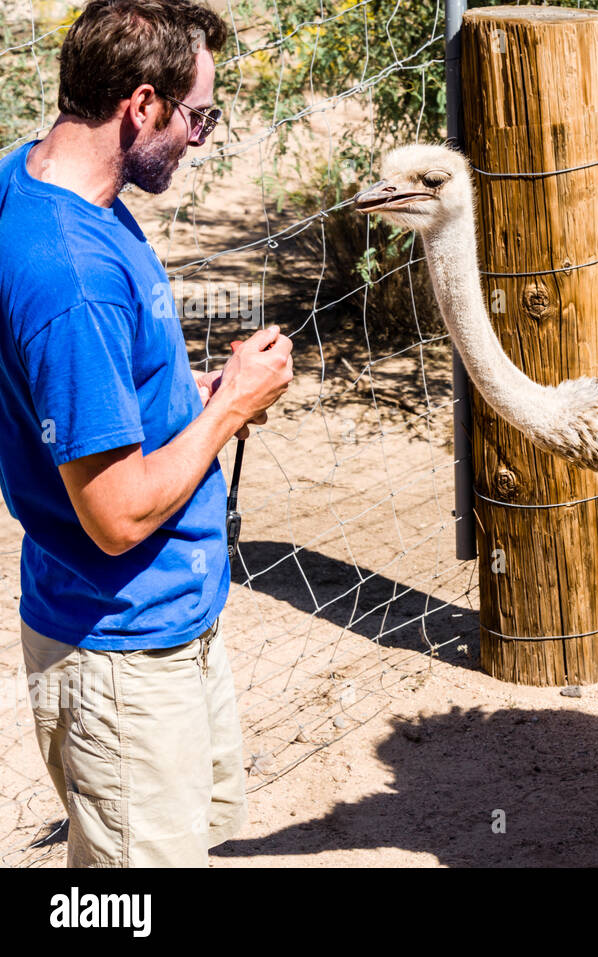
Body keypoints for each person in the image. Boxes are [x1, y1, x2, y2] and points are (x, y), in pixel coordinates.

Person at [0, 0, 293, 866]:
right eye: (196, 115)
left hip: (156, 630)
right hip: (125, 655)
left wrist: (192, 397)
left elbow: (85, 399)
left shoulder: (34, 178)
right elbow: (118, 512)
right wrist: (230, 407)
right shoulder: (73, 275)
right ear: (141, 104)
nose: (200, 138)